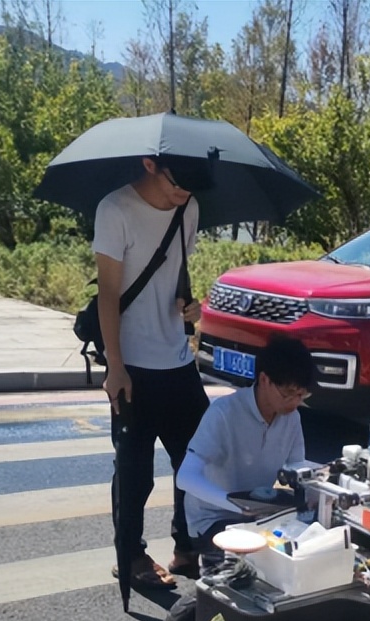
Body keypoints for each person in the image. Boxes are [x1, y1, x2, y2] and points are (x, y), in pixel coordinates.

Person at [95, 154, 211, 591]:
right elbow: (109, 293)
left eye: (191, 187)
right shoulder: (115, 210)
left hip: (178, 359)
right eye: (175, 183)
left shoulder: (189, 207)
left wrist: (190, 306)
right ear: (150, 164)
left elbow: (176, 271)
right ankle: (131, 554)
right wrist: (116, 367)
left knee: (197, 462)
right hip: (134, 365)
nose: (183, 193)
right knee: (134, 471)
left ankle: (187, 547)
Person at [177, 336, 317, 573]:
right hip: (212, 519)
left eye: (301, 396)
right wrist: (235, 504)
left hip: (256, 516)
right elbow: (186, 477)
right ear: (264, 379)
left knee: (309, 546)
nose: (294, 403)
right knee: (256, 569)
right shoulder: (224, 412)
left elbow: (296, 467)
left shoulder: (292, 417)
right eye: (288, 394)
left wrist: (321, 481)